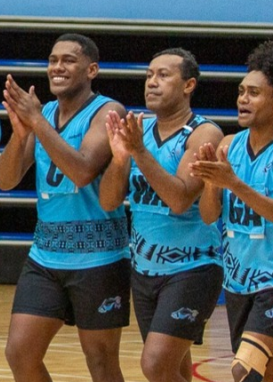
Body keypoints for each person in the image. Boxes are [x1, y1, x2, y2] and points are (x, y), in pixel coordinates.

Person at [0, 33, 129, 382]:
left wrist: (36, 122)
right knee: (20, 352)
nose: (57, 66)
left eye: (68, 60)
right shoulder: (44, 115)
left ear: (92, 69)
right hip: (46, 256)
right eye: (53, 60)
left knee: (100, 361)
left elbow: (83, 170)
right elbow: (5, 179)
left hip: (99, 257)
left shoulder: (108, 111)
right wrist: (21, 134)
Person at [193, 41, 273, 382]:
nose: (243, 99)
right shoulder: (227, 146)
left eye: (254, 93)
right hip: (237, 280)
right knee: (265, 373)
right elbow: (207, 216)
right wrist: (213, 184)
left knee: (244, 370)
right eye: (241, 91)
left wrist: (233, 182)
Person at [98, 48, 224, 382]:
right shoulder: (138, 132)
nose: (152, 82)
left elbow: (180, 198)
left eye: (164, 75)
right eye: (149, 75)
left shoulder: (203, 133)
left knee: (154, 365)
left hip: (193, 267)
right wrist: (121, 158)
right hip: (144, 269)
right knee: (174, 368)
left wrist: (139, 152)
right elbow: (109, 201)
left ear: (188, 85)